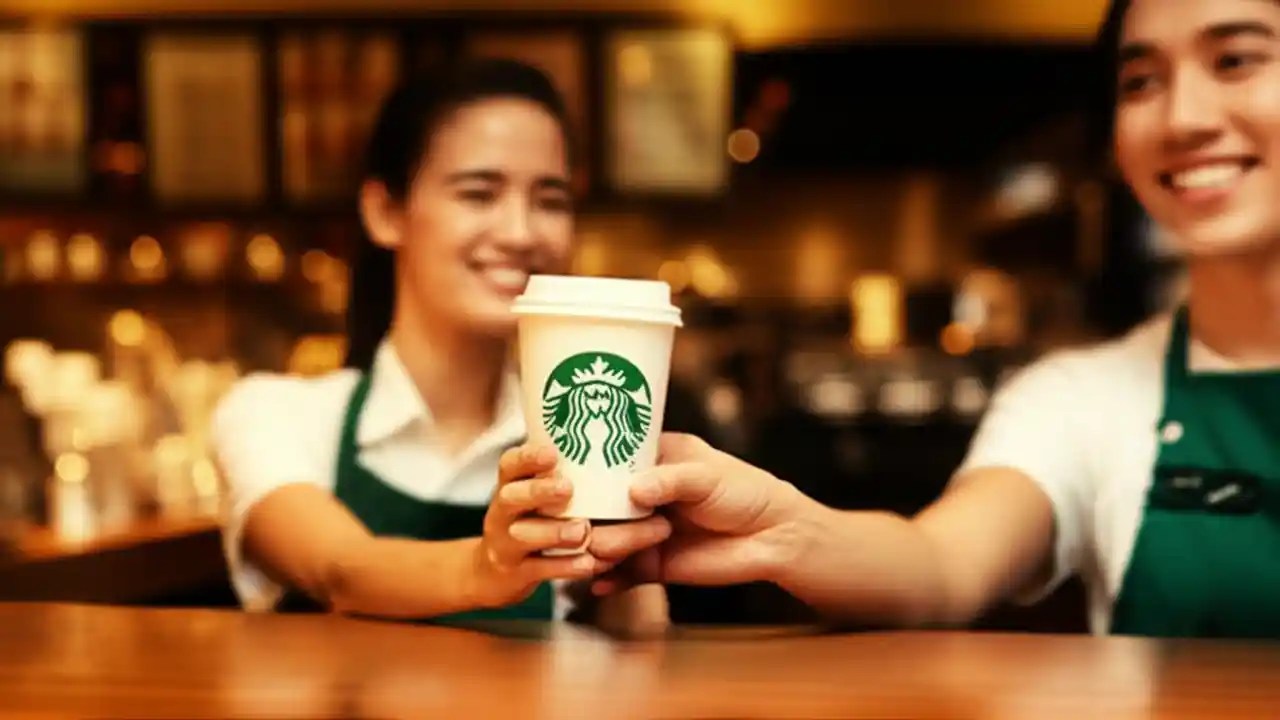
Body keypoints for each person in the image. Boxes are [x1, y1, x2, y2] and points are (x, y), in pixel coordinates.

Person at [578, 0, 1280, 638]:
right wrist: (783, 530)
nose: (1183, 116)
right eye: (1140, 83)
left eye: (1236, 61)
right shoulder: (1080, 399)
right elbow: (942, 565)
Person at [212, 59, 669, 623]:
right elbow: (340, 571)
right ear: (385, 212)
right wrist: (487, 567)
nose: (521, 233)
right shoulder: (279, 415)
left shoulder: (584, 447)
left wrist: (637, 561)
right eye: (479, 194)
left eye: (550, 200)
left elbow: (634, 666)